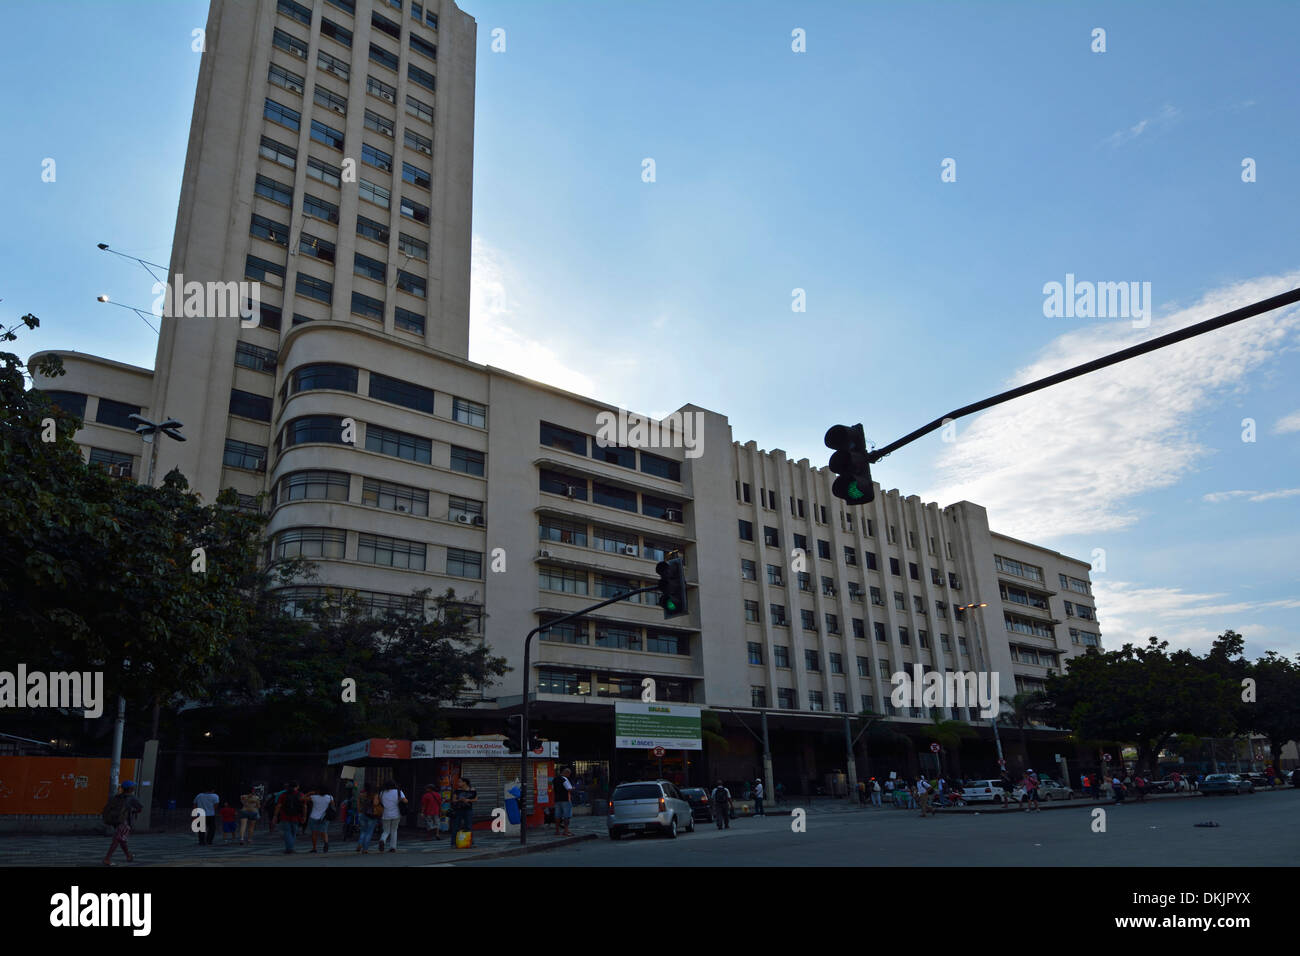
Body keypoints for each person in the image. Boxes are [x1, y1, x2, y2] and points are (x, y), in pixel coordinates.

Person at [102, 780, 144, 866]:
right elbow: (139, 809)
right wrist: (132, 811)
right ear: (130, 789)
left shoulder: (117, 797)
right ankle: (107, 859)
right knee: (117, 839)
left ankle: (128, 856)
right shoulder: (132, 798)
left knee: (122, 839)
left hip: (116, 821)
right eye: (133, 787)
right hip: (124, 822)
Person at [271, 781, 307, 854]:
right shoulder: (300, 794)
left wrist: (275, 816)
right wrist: (304, 816)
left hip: (285, 816)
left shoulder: (283, 794)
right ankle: (290, 848)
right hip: (296, 816)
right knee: (294, 832)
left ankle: (289, 848)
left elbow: (278, 806)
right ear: (297, 787)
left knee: (287, 832)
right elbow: (304, 806)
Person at [378, 779, 407, 852]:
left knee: (386, 830)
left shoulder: (382, 793)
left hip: (385, 814)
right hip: (396, 814)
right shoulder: (398, 792)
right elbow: (405, 801)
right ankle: (393, 847)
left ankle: (382, 840)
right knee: (394, 830)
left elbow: (381, 802)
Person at [307, 784, 334, 853]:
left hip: (314, 817)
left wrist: (309, 793)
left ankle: (314, 848)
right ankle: (326, 843)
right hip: (324, 817)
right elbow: (333, 806)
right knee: (324, 832)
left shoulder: (313, 797)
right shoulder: (330, 797)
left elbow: (301, 799)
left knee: (314, 833)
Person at [356, 784, 380, 854]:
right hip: (372, 815)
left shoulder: (361, 794)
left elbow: (358, 805)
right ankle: (365, 849)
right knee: (369, 832)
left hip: (362, 814)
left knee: (363, 831)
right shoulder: (375, 795)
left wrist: (359, 811)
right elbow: (375, 804)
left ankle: (360, 843)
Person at [552, 767, 574, 837]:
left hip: (557, 800)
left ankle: (557, 831)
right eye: (569, 774)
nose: (569, 776)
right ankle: (566, 831)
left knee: (557, 816)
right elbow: (569, 789)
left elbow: (553, 789)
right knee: (566, 816)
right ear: (566, 773)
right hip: (566, 799)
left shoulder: (554, 779)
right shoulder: (564, 779)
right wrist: (573, 788)